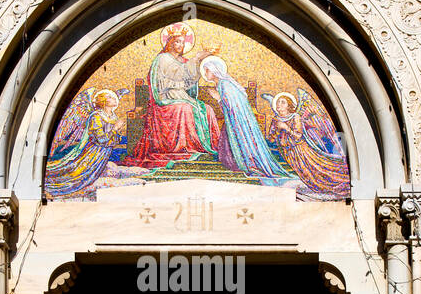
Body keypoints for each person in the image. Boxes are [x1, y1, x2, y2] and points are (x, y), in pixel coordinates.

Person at [125, 23, 221, 167]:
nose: (180, 45)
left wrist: (199, 60)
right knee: (185, 109)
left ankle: (210, 148)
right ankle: (183, 148)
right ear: (169, 42)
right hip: (165, 99)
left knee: (207, 109)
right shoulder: (162, 59)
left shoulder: (184, 61)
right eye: (177, 41)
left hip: (182, 96)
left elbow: (191, 81)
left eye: (183, 42)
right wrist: (195, 59)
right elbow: (164, 81)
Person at [199, 55, 293, 184]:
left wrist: (218, 98)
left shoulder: (225, 85)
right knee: (224, 144)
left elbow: (231, 107)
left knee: (228, 144)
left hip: (236, 122)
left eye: (207, 70)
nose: (205, 73)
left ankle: (244, 163)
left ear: (214, 70)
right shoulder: (222, 84)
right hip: (233, 120)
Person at [265, 92, 350, 200]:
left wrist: (286, 128)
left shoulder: (295, 117)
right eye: (278, 102)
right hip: (287, 152)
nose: (279, 104)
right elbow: (271, 139)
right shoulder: (275, 120)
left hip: (301, 150)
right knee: (305, 176)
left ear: (289, 105)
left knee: (316, 170)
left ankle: (336, 183)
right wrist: (276, 130)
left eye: (283, 102)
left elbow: (298, 136)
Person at [43, 90, 121, 198]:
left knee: (90, 176)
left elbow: (115, 140)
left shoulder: (114, 117)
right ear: (103, 101)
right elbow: (101, 139)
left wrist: (115, 134)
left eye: (113, 97)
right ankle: (53, 187)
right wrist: (115, 129)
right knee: (77, 174)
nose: (114, 98)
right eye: (110, 97)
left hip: (104, 154)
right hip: (93, 153)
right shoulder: (96, 116)